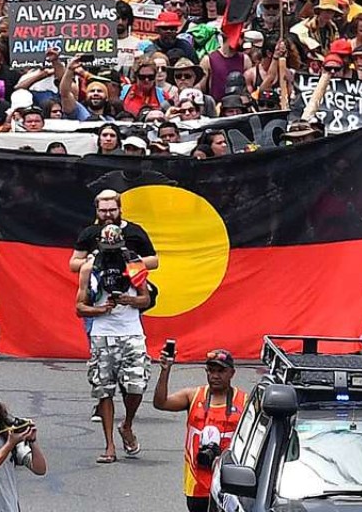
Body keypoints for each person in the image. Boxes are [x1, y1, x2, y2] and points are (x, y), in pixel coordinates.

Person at [76, 224, 151, 463]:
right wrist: (99, 309)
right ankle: (109, 445)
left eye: (115, 249)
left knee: (136, 386)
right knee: (103, 389)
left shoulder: (134, 263)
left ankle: (127, 425)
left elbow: (146, 298)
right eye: (107, 249)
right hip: (103, 333)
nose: (111, 254)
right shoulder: (90, 267)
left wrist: (130, 299)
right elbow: (79, 307)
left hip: (131, 332)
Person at [152, 347, 246, 512]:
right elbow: (161, 403)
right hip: (197, 483)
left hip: (229, 483)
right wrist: (165, 371)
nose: (215, 376)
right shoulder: (193, 395)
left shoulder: (244, 401)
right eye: (211, 370)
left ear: (232, 373)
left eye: (221, 371)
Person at [69, 189, 158, 274]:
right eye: (103, 211)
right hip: (98, 282)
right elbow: (73, 264)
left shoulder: (134, 231)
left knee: (147, 288)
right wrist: (95, 262)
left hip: (130, 278)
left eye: (112, 210)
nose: (108, 214)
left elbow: (154, 262)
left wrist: (129, 262)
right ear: (97, 211)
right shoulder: (89, 233)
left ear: (119, 209)